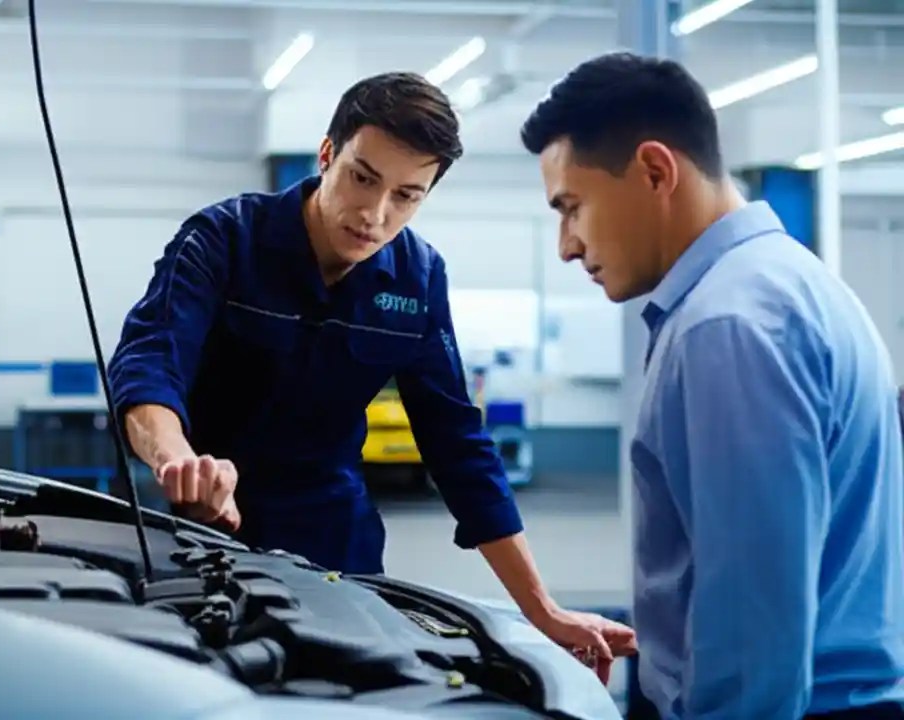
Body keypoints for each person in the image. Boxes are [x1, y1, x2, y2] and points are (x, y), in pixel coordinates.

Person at [106, 70, 636, 681]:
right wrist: (179, 461)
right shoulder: (225, 240)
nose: (375, 214)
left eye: (407, 195)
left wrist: (542, 611)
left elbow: (457, 443)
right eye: (363, 178)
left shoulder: (417, 278)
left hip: (337, 546)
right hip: (194, 526)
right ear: (327, 154)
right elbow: (149, 362)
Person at [519, 52, 904, 718]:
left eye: (571, 207)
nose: (566, 245)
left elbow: (753, 642)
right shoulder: (788, 284)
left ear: (654, 171)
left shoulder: (726, 327)